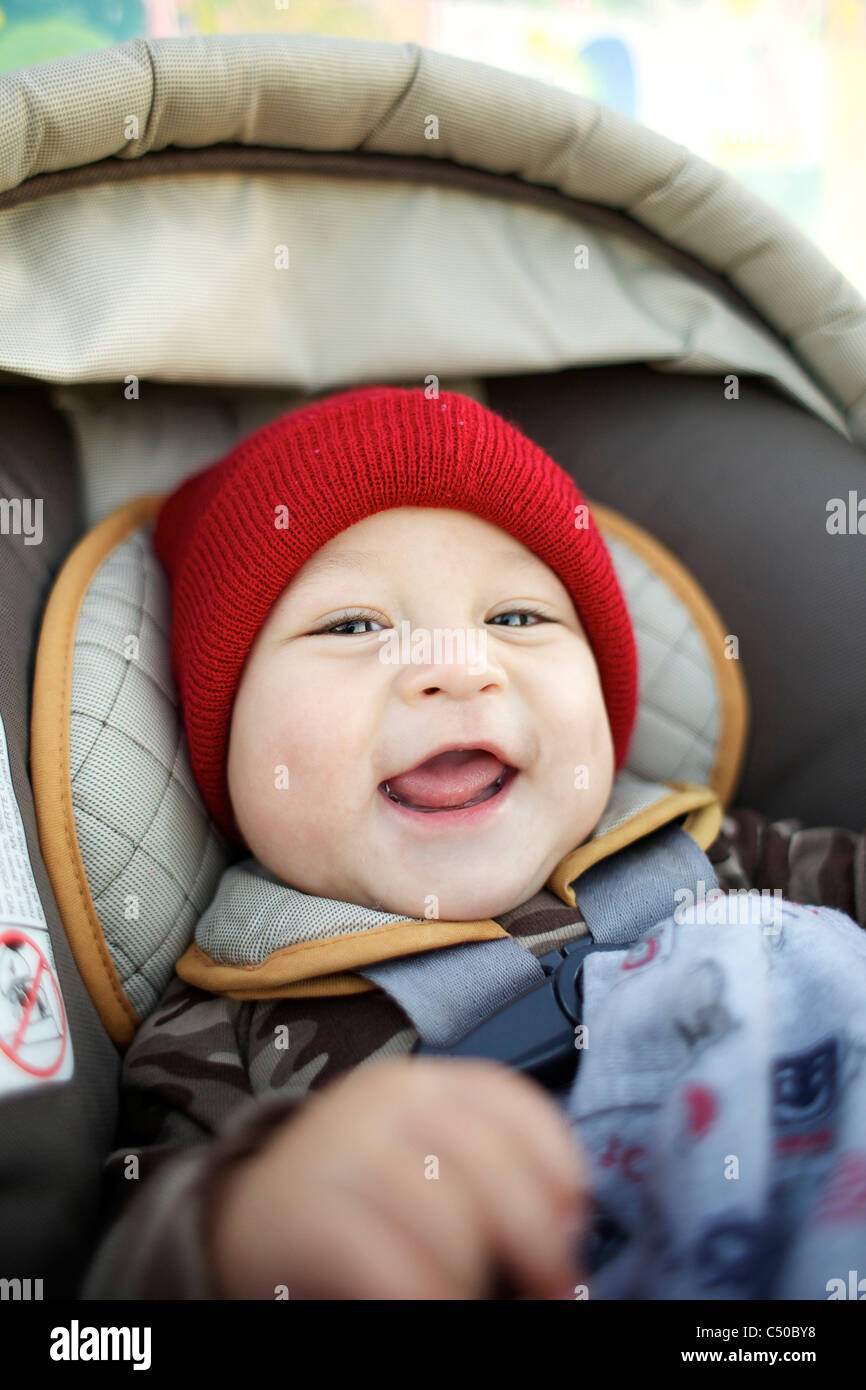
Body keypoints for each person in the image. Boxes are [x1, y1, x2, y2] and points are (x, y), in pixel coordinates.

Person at [79, 385, 866, 1300]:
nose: (460, 667)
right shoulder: (229, 1023)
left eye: (517, 618)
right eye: (353, 625)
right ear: (222, 738)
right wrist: (250, 1229)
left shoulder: (720, 855)